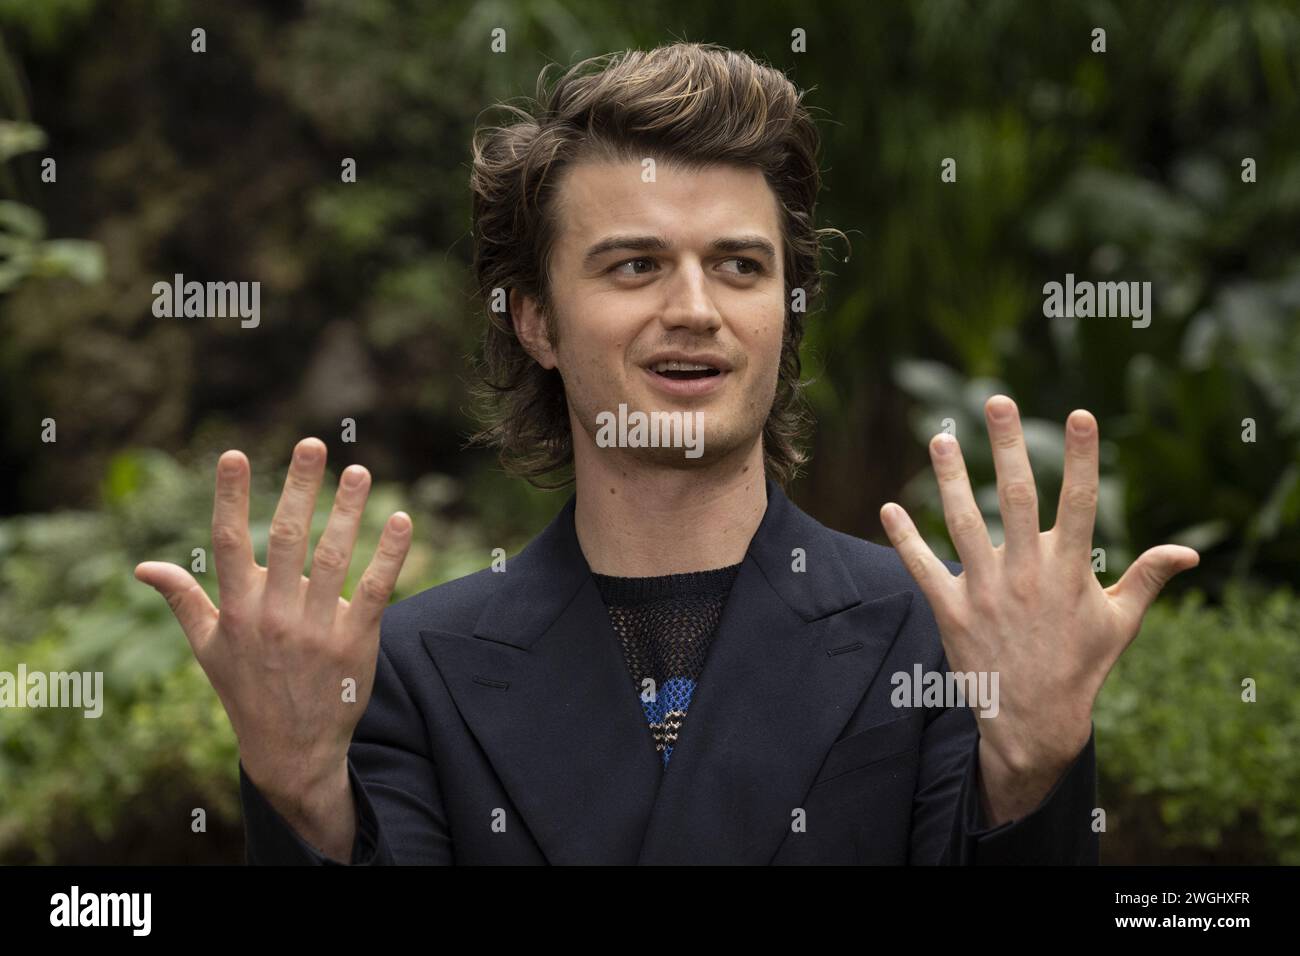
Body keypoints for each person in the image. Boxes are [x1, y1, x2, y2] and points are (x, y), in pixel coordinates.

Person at [134, 41, 1198, 865]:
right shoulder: (407, 673)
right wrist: (300, 793)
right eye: (634, 265)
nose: (693, 309)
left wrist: (1034, 770)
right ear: (536, 321)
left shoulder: (943, 642)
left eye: (737, 265)